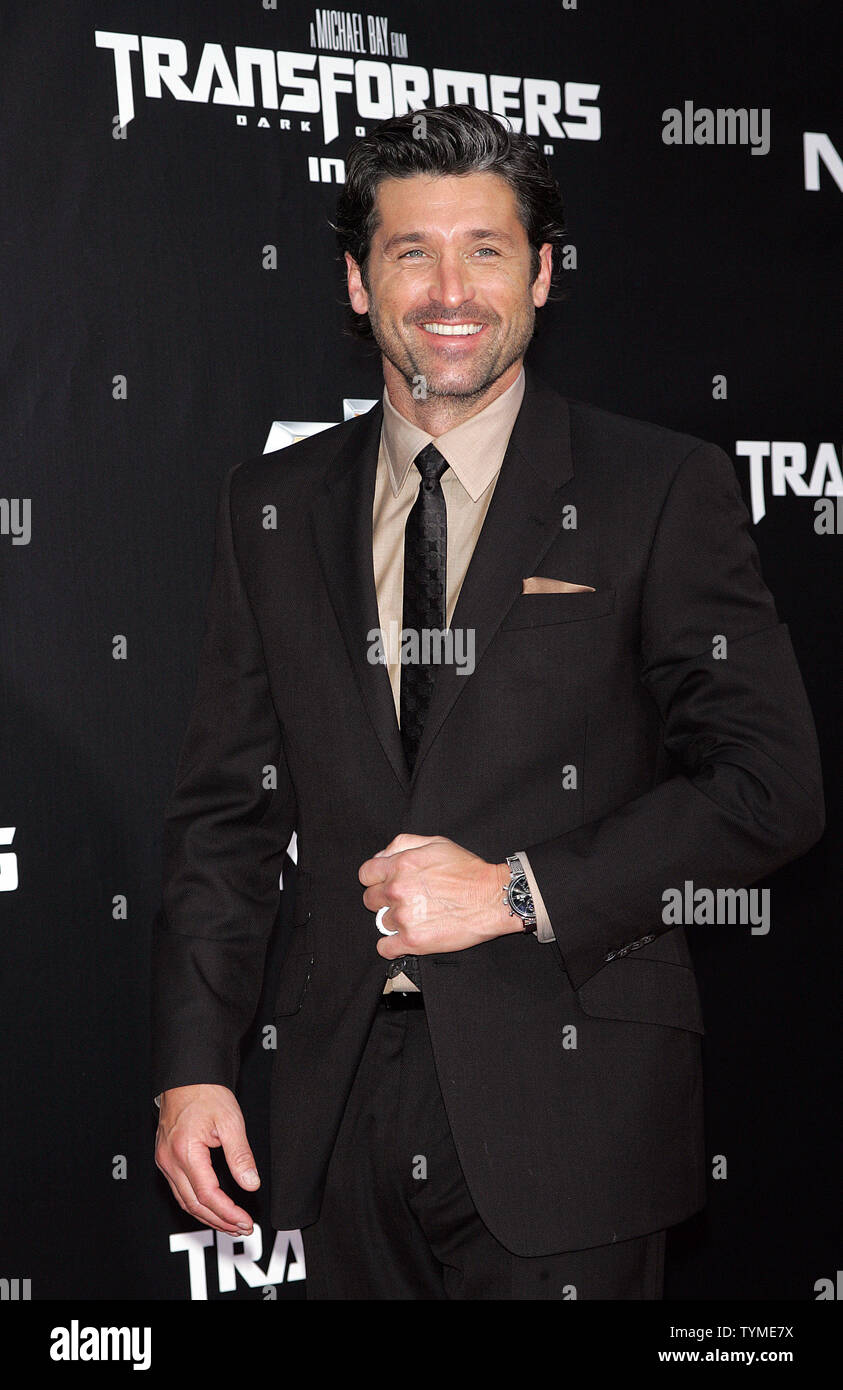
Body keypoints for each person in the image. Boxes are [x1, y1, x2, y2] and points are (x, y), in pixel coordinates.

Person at [151, 104, 824, 1299]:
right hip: (338, 1102)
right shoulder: (271, 503)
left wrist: (519, 891)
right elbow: (228, 813)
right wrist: (194, 1066)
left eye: (487, 249)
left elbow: (769, 788)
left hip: (576, 1103)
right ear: (358, 284)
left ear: (544, 273)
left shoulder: (659, 487)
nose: (449, 288)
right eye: (411, 252)